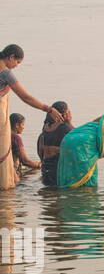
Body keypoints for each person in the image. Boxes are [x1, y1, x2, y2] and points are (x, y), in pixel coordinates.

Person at [0, 44, 64, 190]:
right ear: (10, 57)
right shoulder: (5, 74)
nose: (16, 66)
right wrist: (48, 109)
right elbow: (26, 97)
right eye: (17, 62)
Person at [38, 102, 75, 188]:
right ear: (65, 113)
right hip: (57, 167)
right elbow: (79, 137)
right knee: (57, 195)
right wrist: (69, 122)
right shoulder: (64, 127)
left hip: (46, 166)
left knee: (49, 191)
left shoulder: (46, 126)